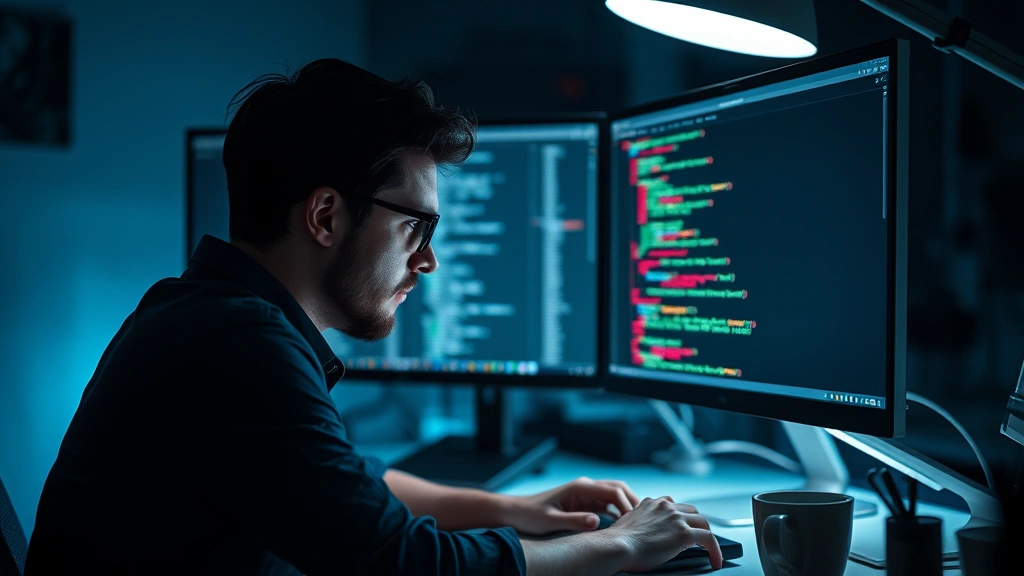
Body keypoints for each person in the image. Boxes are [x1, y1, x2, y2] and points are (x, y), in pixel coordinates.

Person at [25, 59, 720, 575]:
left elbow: (351, 484)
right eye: (417, 227)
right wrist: (623, 543)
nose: (429, 261)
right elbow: (397, 563)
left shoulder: (201, 313)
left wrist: (512, 507)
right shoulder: (238, 345)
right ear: (326, 216)